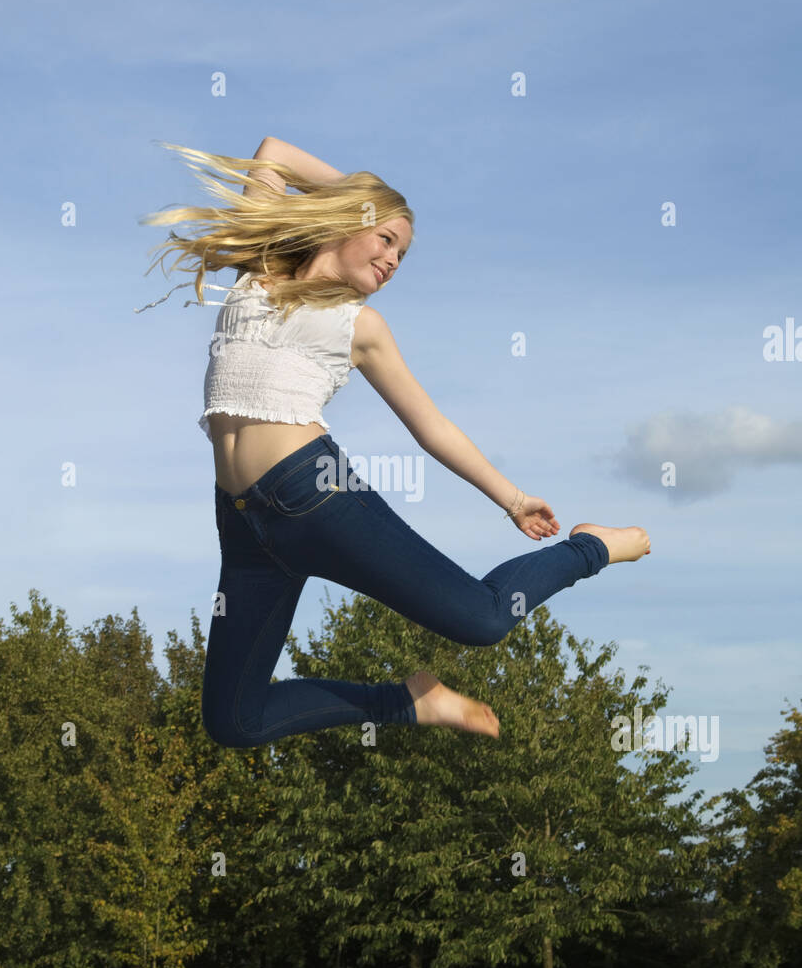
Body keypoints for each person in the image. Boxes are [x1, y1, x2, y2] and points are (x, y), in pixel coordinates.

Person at [139, 136, 650, 748]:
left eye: (402, 254)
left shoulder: (361, 326)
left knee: (483, 619)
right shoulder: (262, 267)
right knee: (234, 722)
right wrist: (363, 198)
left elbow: (431, 427)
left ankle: (590, 549)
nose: (393, 260)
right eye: (387, 240)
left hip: (314, 494)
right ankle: (406, 702)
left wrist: (512, 500)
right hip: (244, 523)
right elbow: (273, 151)